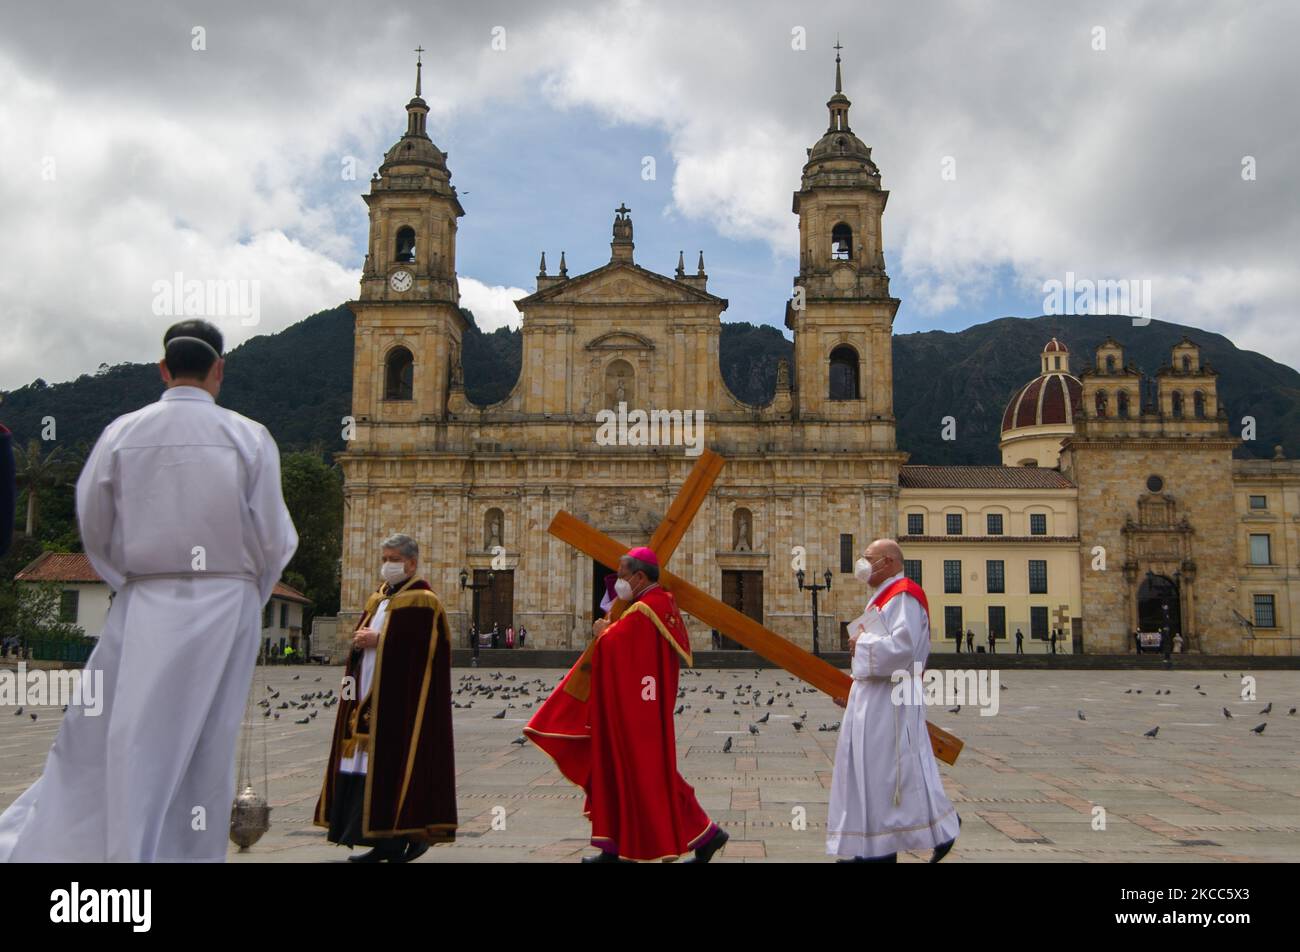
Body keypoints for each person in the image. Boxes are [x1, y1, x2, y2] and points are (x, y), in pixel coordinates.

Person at [0, 320, 298, 862]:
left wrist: (135, 582)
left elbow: (94, 526)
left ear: (163, 369)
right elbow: (275, 539)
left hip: (144, 601)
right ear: (219, 371)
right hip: (227, 602)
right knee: (207, 745)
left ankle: (110, 853)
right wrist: (241, 594)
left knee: (118, 735)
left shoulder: (122, 432)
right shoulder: (249, 436)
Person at [526, 547, 729, 863]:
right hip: (635, 708)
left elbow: (620, 648)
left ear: (639, 576)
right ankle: (614, 847)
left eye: (621, 576)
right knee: (626, 773)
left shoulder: (645, 611)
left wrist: (602, 632)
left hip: (637, 711)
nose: (616, 582)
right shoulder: (655, 606)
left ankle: (706, 835)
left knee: (647, 776)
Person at [315, 533, 456, 862]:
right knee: (366, 769)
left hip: (399, 703)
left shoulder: (424, 601)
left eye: (391, 559)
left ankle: (404, 837)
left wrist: (382, 638)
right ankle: (380, 841)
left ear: (410, 563)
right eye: (383, 559)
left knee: (396, 766)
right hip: (365, 696)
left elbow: (429, 649)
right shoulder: (378, 599)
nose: (386, 566)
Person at [829, 539, 960, 863]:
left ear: (887, 562)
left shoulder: (903, 595)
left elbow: (903, 649)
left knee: (885, 774)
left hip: (891, 700)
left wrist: (861, 643)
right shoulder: (884, 598)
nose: (862, 563)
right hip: (875, 697)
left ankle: (878, 850)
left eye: (868, 558)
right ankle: (867, 845)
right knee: (868, 771)